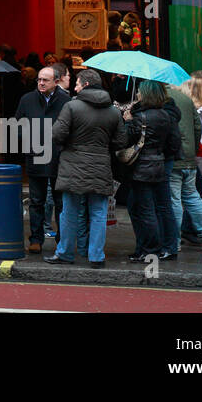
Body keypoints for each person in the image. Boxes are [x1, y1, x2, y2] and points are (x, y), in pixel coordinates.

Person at [45, 68, 126, 268]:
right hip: (100, 165)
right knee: (98, 213)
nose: (75, 87)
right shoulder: (114, 111)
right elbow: (121, 141)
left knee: (69, 212)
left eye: (78, 83)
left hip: (73, 165)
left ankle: (64, 252)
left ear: (86, 85)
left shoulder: (72, 107)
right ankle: (96, 256)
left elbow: (56, 135)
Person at [121, 80, 181, 262]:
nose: (138, 94)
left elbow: (125, 140)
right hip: (160, 165)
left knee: (144, 209)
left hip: (141, 168)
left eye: (140, 92)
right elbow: (174, 144)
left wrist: (127, 122)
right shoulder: (167, 115)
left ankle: (149, 250)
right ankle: (170, 247)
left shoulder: (140, 117)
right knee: (164, 207)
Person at [14, 63, 70, 253]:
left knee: (60, 202)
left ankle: (62, 240)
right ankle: (36, 239)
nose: (41, 83)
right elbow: (17, 126)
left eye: (45, 80)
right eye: (39, 79)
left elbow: (70, 128)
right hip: (36, 155)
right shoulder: (27, 99)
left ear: (56, 81)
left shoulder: (66, 100)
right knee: (36, 201)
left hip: (58, 157)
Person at [168, 77, 202, 252]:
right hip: (189, 158)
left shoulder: (165, 99)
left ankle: (173, 241)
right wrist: (194, 149)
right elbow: (197, 128)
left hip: (174, 158)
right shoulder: (187, 100)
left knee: (174, 199)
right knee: (193, 197)